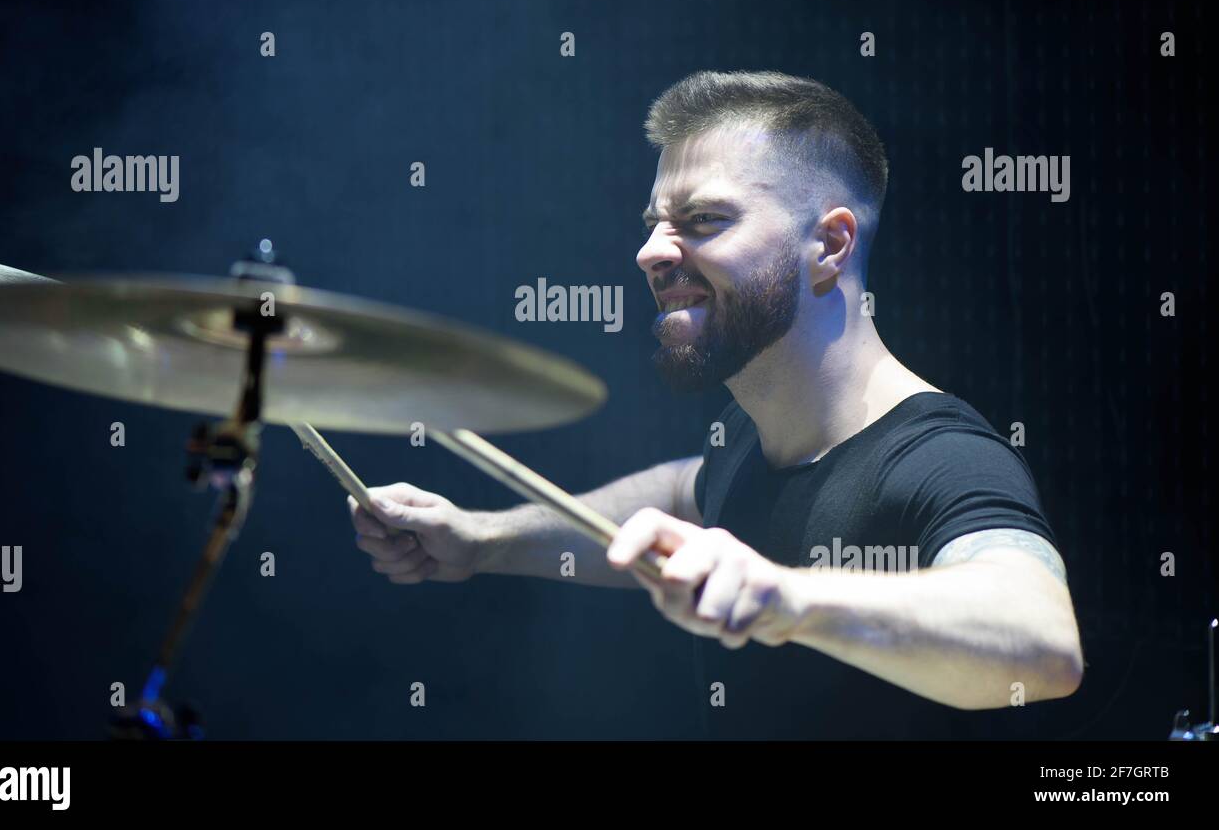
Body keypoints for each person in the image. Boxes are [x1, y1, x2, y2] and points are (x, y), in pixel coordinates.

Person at [348, 71, 1084, 738]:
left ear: (828, 245)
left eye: (704, 220)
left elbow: (1044, 641)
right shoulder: (747, 434)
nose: (651, 253)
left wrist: (786, 596)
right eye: (654, 224)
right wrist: (482, 538)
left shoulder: (940, 456)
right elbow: (682, 489)